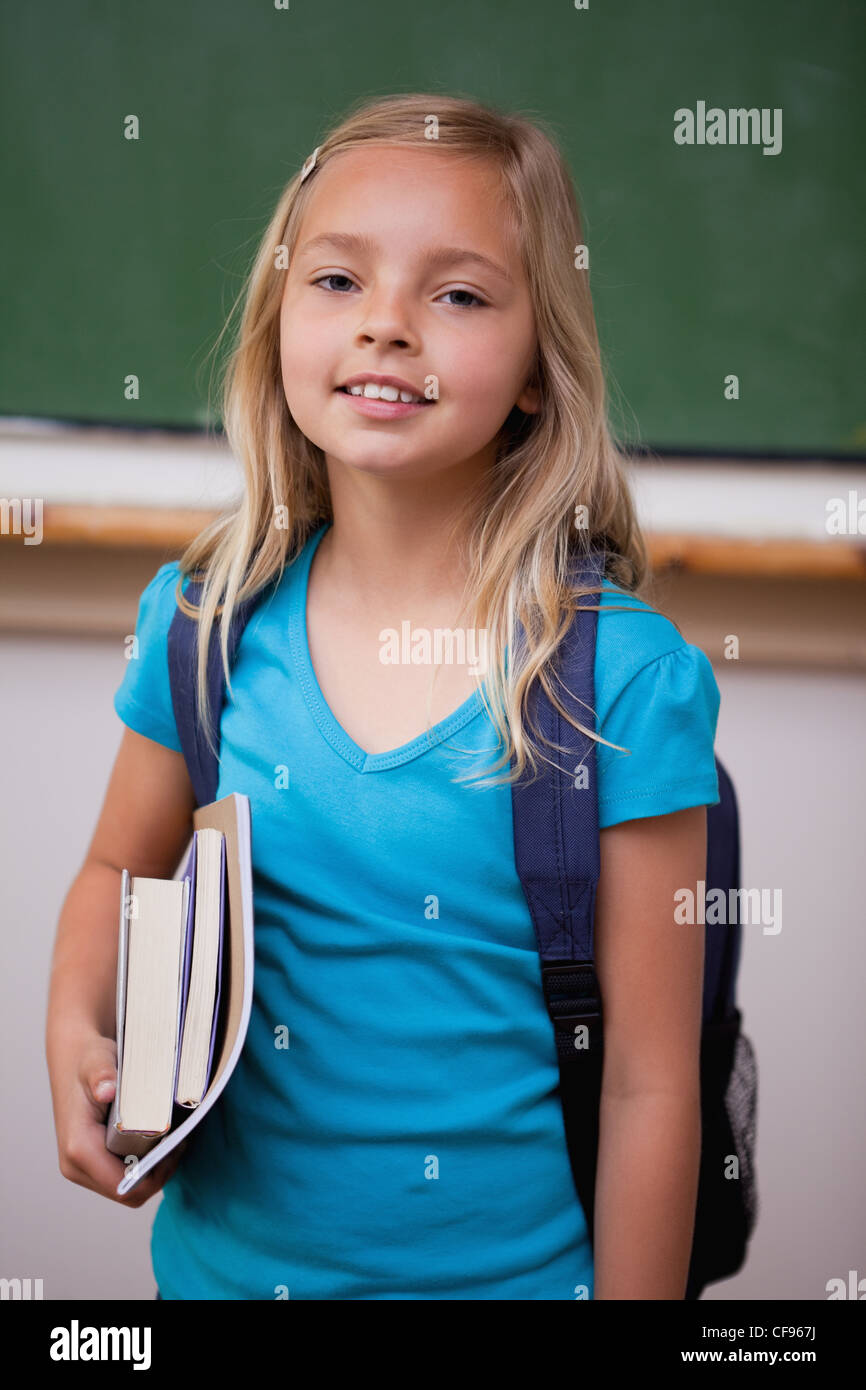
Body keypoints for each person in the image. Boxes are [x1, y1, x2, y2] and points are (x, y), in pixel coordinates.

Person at [46, 92, 720, 1300]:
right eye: (338, 282)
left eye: (457, 295)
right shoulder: (203, 626)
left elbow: (650, 1084)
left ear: (532, 370)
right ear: (276, 324)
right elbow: (114, 873)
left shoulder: (625, 679)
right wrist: (71, 1030)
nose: (388, 328)